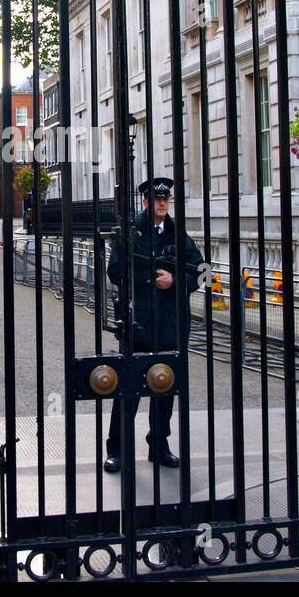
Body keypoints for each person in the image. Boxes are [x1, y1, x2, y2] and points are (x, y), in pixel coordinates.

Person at [103, 177, 205, 473]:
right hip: (140, 320)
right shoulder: (133, 232)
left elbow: (201, 271)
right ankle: (118, 450)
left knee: (165, 386)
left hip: (171, 322)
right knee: (129, 389)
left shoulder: (177, 233)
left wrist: (175, 281)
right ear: (146, 202)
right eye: (157, 200)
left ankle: (159, 446)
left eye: (166, 200)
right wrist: (144, 276)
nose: (162, 204)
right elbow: (115, 271)